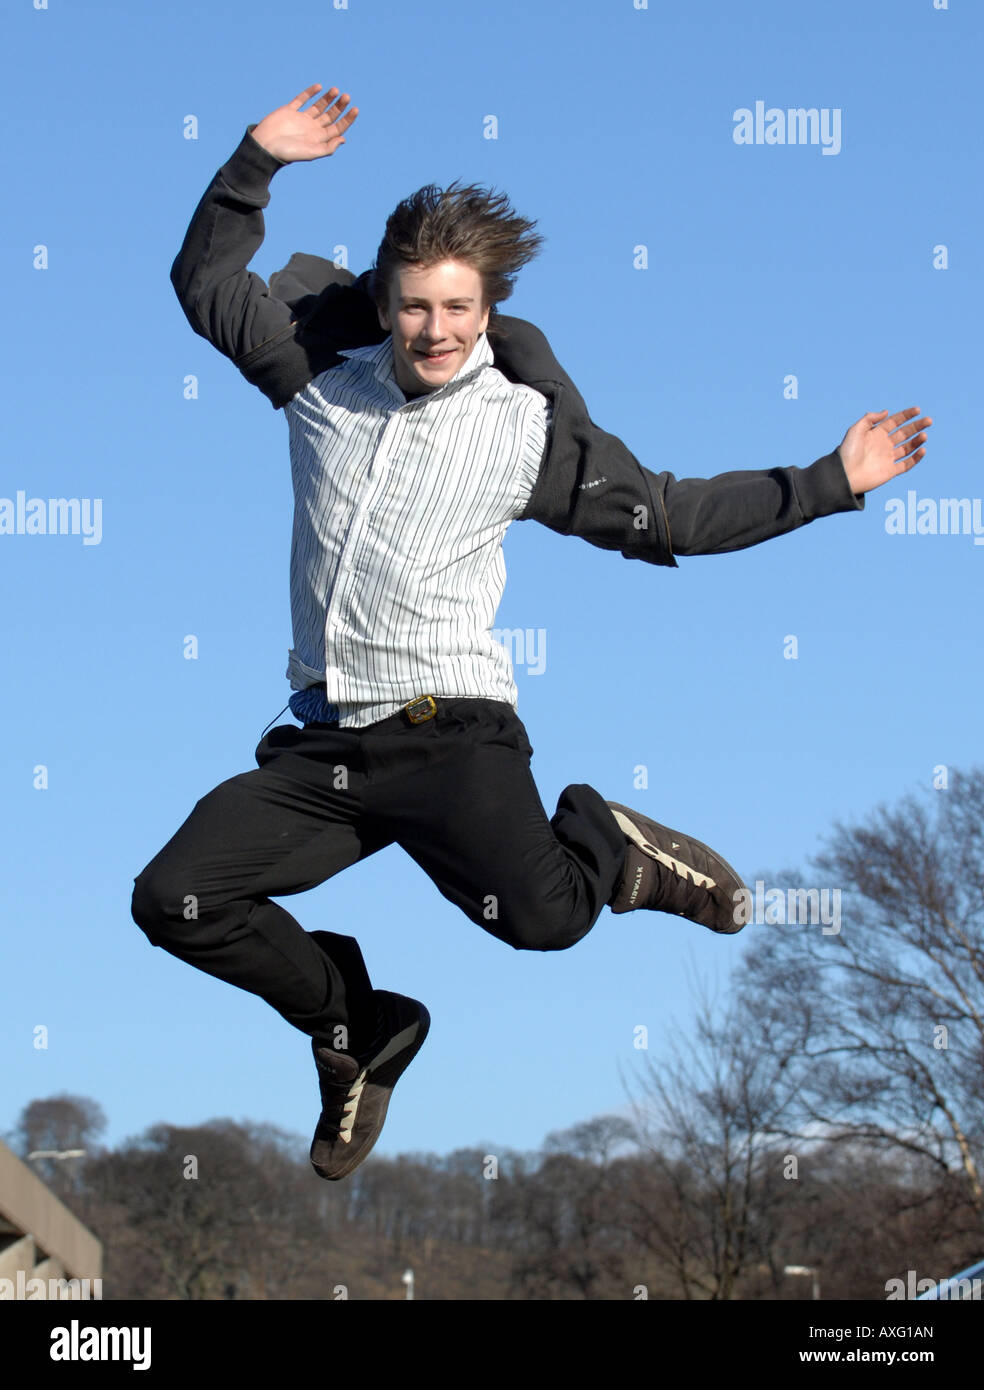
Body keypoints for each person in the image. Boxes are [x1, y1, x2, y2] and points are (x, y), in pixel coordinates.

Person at [131, 83, 932, 1182]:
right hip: (330, 750)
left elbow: (672, 515)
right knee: (176, 895)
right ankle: (357, 1024)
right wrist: (253, 162)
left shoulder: (522, 433)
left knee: (547, 924)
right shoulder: (318, 385)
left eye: (459, 310)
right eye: (415, 307)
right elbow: (207, 282)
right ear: (384, 301)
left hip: (450, 734)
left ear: (488, 311)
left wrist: (827, 481)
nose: (437, 331)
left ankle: (608, 841)